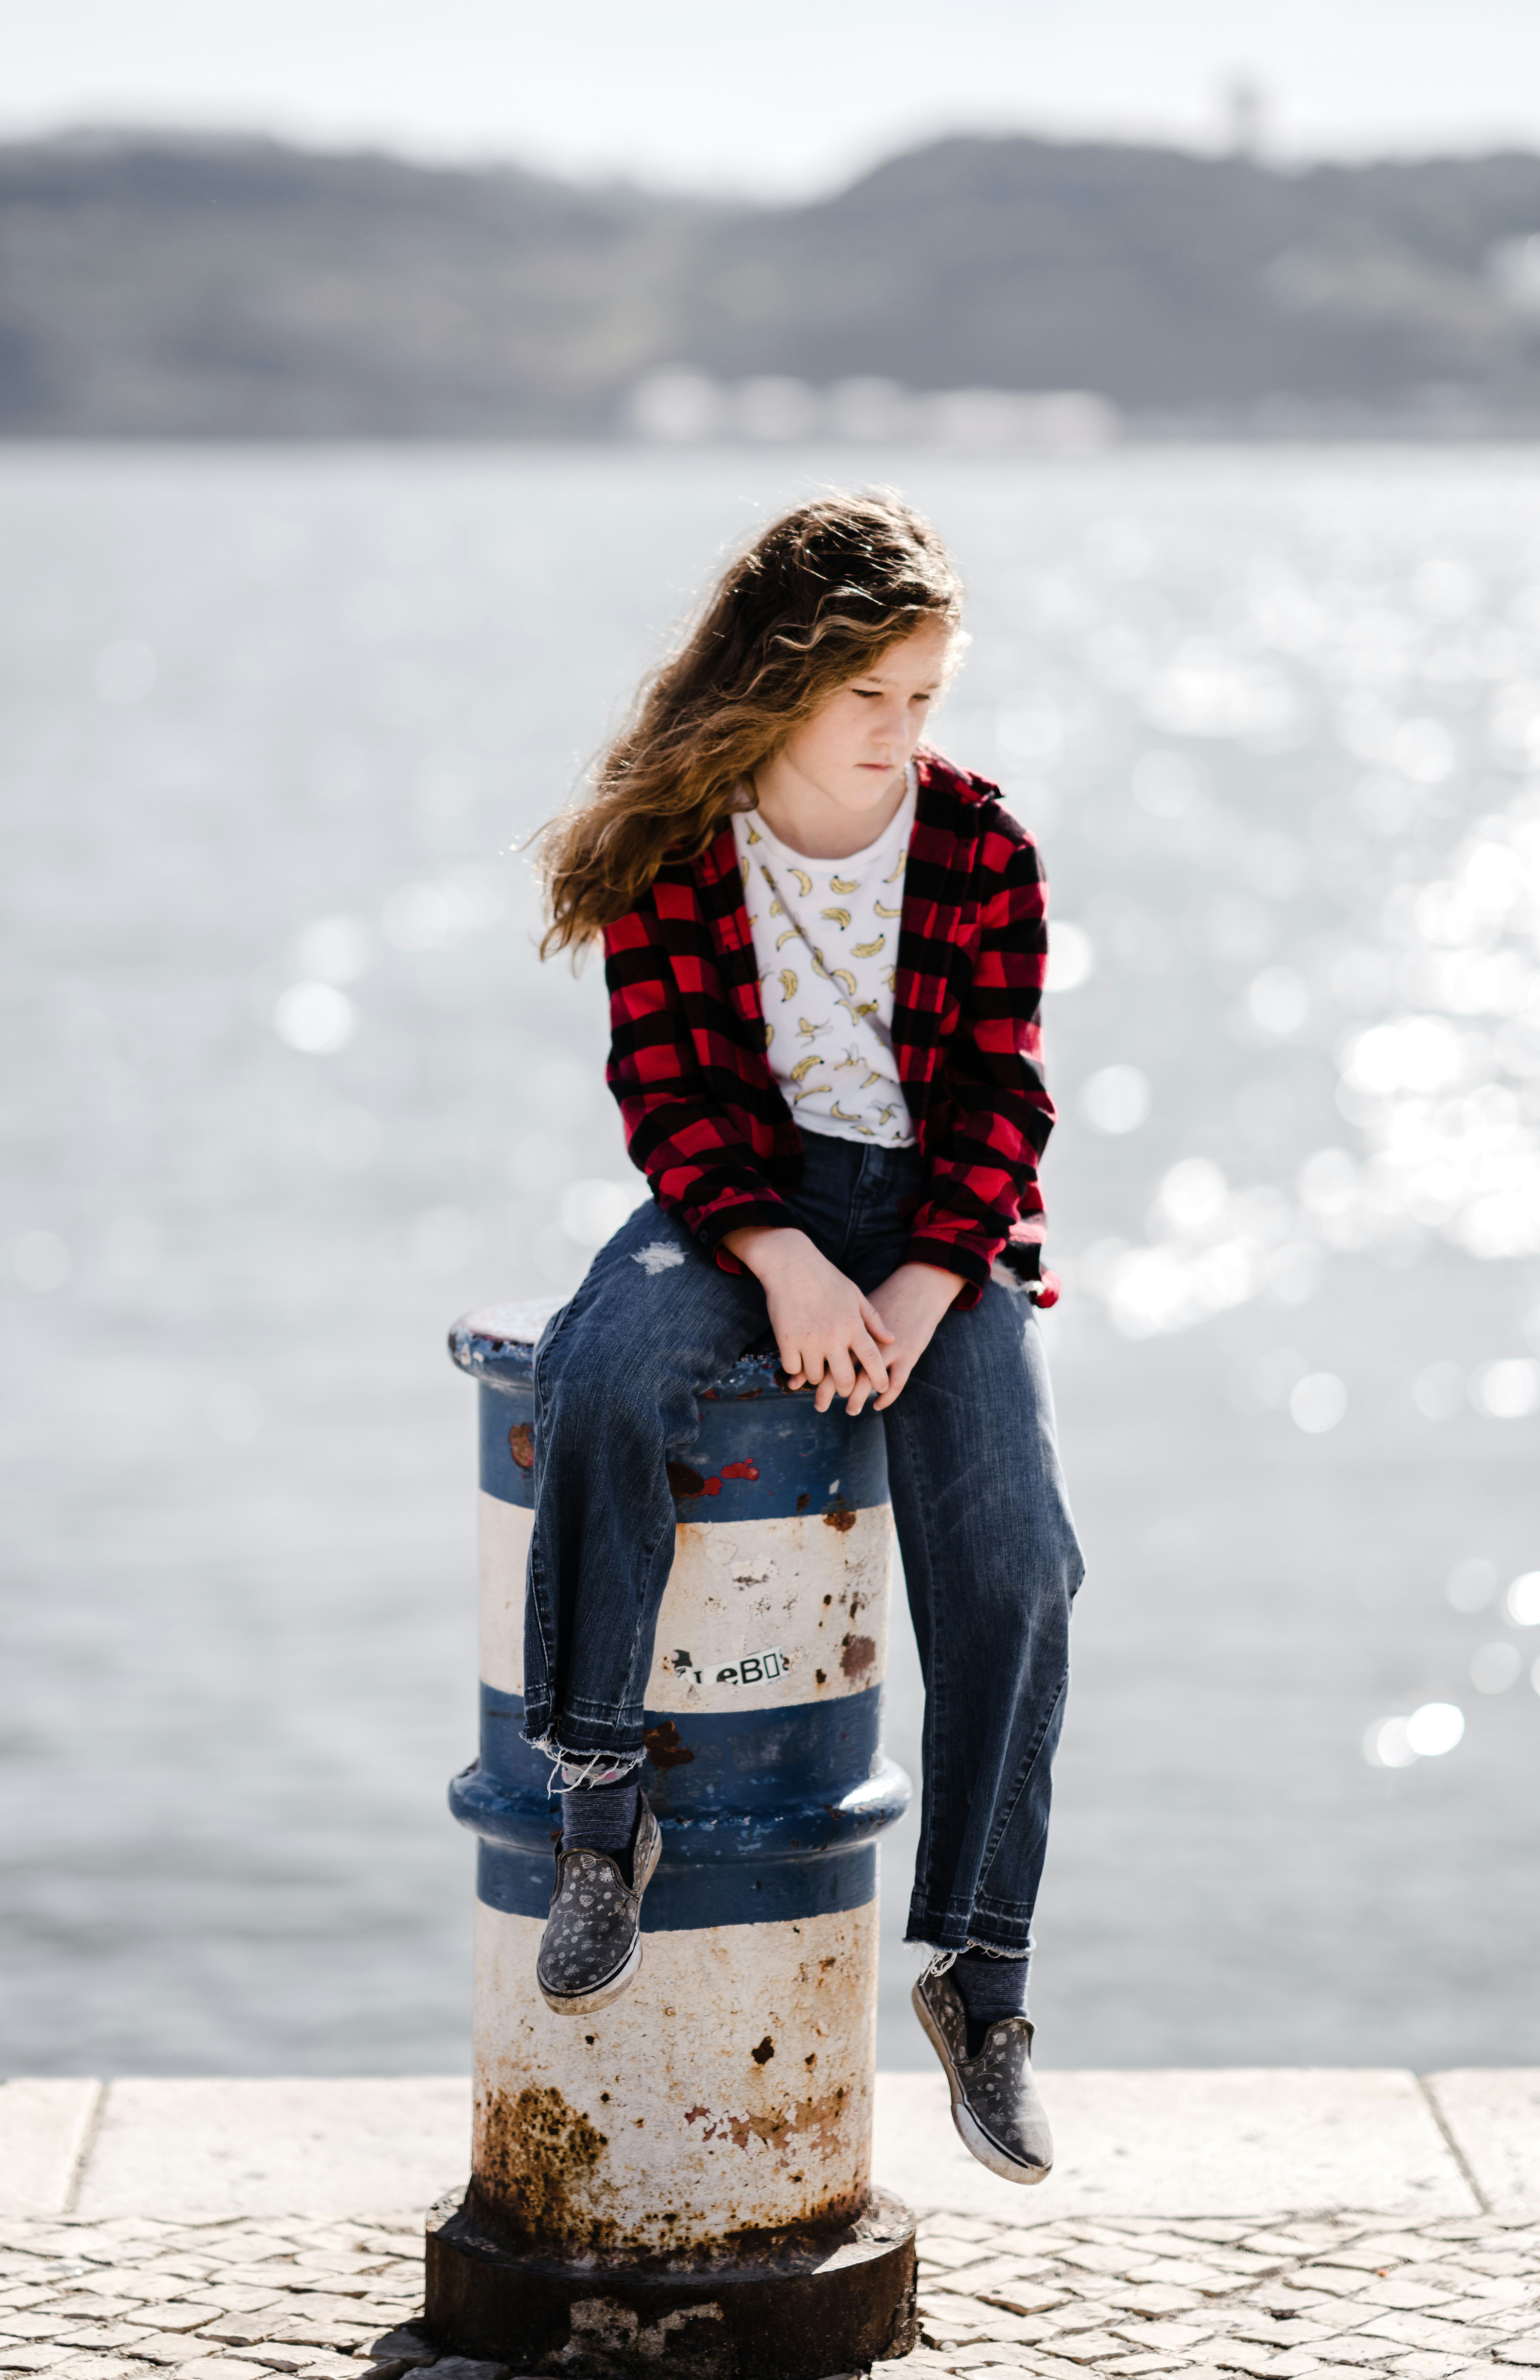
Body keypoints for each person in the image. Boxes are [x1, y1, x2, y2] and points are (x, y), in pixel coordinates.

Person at [523, 491, 1083, 2184]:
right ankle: (602, 1796)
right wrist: (775, 1258)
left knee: (1021, 1568)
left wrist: (918, 1285)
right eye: (875, 701)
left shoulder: (983, 851)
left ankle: (979, 1975)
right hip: (741, 1200)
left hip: (935, 1226)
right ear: (784, 679)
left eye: (927, 700)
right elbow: (664, 1092)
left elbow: (1002, 1100)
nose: (907, 737)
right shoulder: (678, 847)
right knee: (602, 1373)